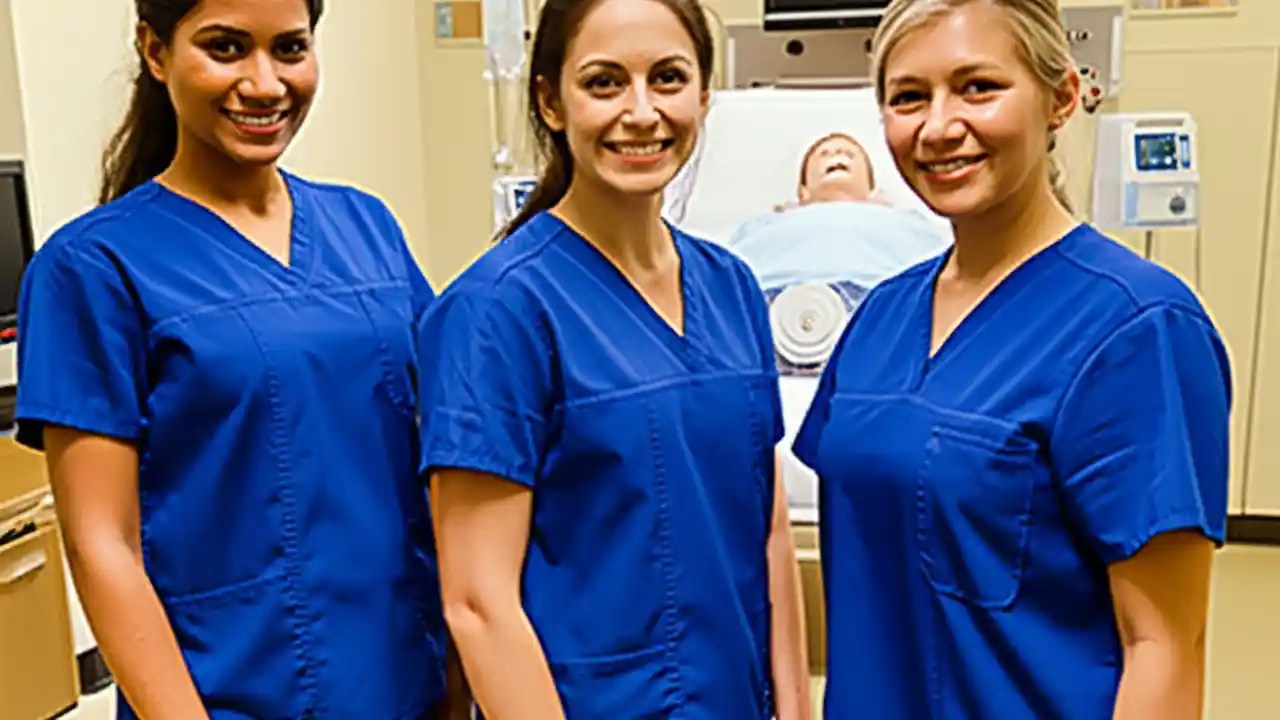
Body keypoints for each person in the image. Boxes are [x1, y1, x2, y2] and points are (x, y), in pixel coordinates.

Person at [14, 1, 460, 717]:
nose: (263, 83)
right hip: (229, 693)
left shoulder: (367, 227)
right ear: (155, 52)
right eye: (225, 48)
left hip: (404, 679)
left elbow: (436, 470)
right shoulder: (90, 268)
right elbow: (103, 545)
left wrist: (459, 684)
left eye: (289, 48)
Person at [792, 0, 1231, 718]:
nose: (938, 127)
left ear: (1060, 97)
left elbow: (1166, 646)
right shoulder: (880, 318)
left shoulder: (1137, 328)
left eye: (978, 87)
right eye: (909, 97)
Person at [414, 0, 811, 717]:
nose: (641, 111)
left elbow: (768, 523)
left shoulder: (732, 288)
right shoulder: (498, 309)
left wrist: (792, 704)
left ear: (703, 95)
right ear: (550, 101)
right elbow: (477, 602)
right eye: (604, 82)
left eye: (668, 78)